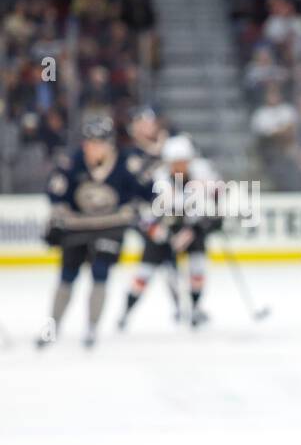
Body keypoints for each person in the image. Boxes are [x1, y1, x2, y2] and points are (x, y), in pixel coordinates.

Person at [37, 114, 156, 349]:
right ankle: (54, 325)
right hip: (77, 228)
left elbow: (149, 192)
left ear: (110, 143)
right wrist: (58, 218)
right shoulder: (71, 163)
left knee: (100, 273)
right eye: (90, 142)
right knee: (67, 276)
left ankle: (92, 328)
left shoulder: (127, 163)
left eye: (99, 142)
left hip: (110, 228)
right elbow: (55, 194)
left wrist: (137, 209)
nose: (94, 148)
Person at [119, 134, 222, 329]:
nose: (180, 167)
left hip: (191, 229)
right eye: (176, 163)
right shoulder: (157, 180)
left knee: (198, 266)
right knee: (144, 273)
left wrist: (196, 228)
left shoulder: (202, 175)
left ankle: (195, 309)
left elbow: (213, 210)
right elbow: (142, 213)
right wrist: (158, 232)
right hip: (163, 231)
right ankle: (125, 313)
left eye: (184, 162)